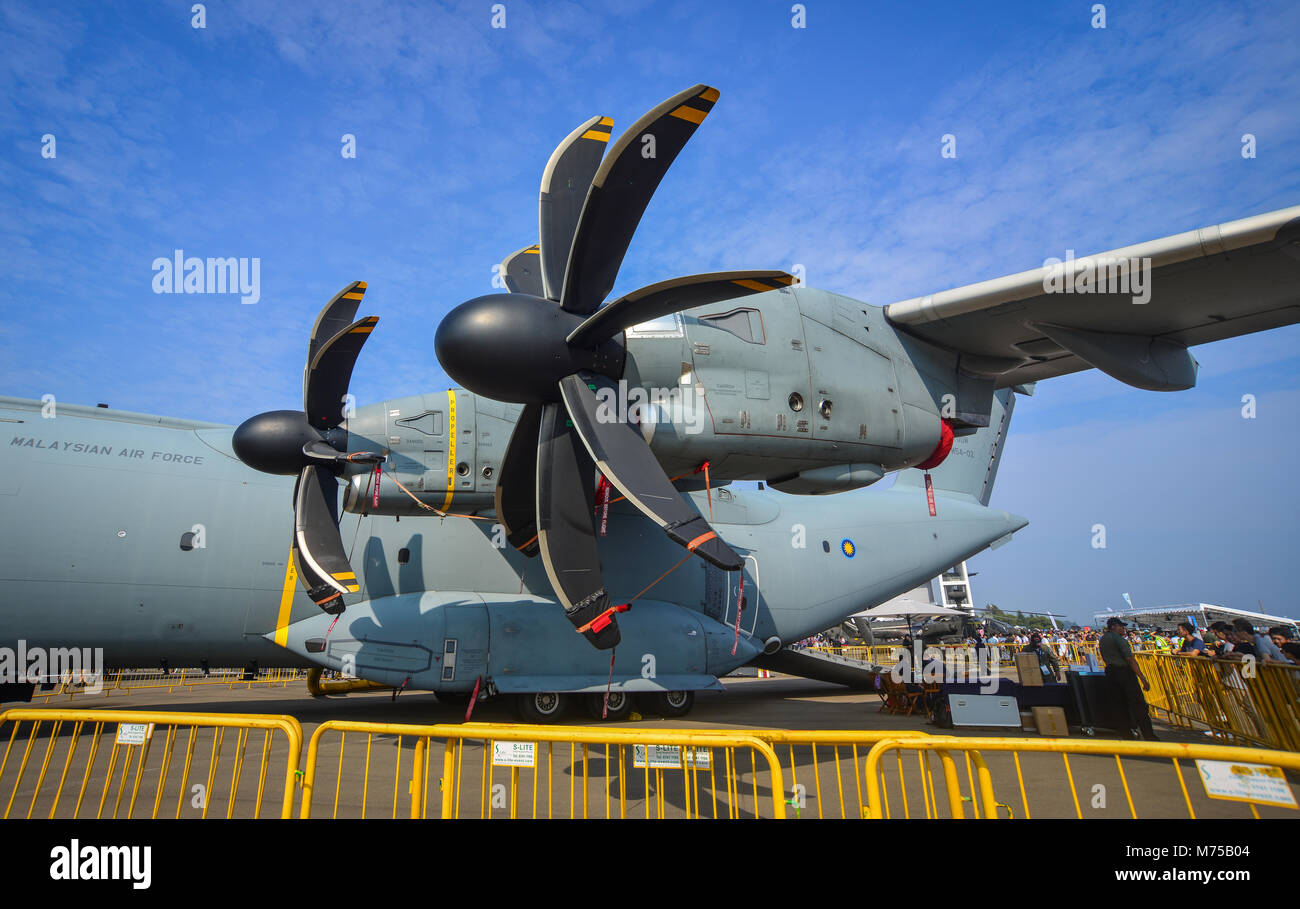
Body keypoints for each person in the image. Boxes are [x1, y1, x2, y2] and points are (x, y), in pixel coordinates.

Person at [1099, 617, 1157, 740]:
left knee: (1118, 705)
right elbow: (1130, 659)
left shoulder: (1103, 639)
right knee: (1138, 704)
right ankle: (1148, 734)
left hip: (1110, 671)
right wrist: (1142, 678)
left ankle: (1126, 734)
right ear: (1114, 626)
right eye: (1121, 626)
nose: (1123, 629)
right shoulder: (1119, 640)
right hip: (1124, 672)